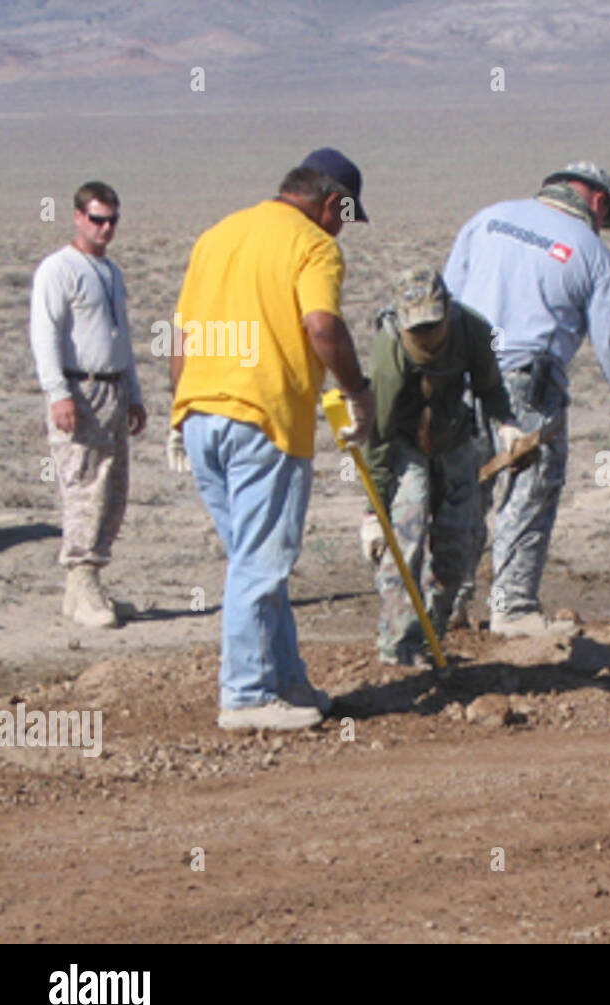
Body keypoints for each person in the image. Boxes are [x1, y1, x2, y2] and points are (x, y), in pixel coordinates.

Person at [168, 148, 376, 732]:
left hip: (201, 412)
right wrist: (357, 390)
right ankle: (246, 694)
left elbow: (182, 336)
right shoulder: (313, 245)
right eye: (346, 216)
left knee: (253, 561)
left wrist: (178, 413)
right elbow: (322, 326)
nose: (343, 230)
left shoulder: (218, 235)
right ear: (334, 203)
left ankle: (284, 680)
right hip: (264, 418)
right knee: (261, 562)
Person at [443, 161, 610, 637]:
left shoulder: (488, 218)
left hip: (461, 374)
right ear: (599, 203)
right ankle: (513, 607)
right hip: (529, 383)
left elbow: (444, 298)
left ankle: (447, 605)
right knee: (529, 488)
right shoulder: (593, 255)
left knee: (463, 491)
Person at [358, 267, 523, 665]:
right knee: (405, 544)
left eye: (434, 323)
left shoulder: (472, 330)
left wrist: (506, 425)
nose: (427, 334)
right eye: (418, 327)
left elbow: (489, 385)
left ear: (447, 310)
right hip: (406, 448)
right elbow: (378, 438)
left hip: (454, 441)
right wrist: (372, 511)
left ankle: (431, 634)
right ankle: (399, 643)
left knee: (460, 543)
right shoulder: (390, 353)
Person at [29, 181, 147, 629]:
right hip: (80, 391)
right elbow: (45, 334)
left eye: (113, 220)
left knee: (112, 488)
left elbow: (122, 338)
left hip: (113, 388)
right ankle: (79, 583)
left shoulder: (111, 272)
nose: (106, 228)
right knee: (83, 485)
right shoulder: (58, 269)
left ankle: (92, 580)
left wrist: (134, 393)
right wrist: (57, 392)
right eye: (97, 219)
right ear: (79, 217)